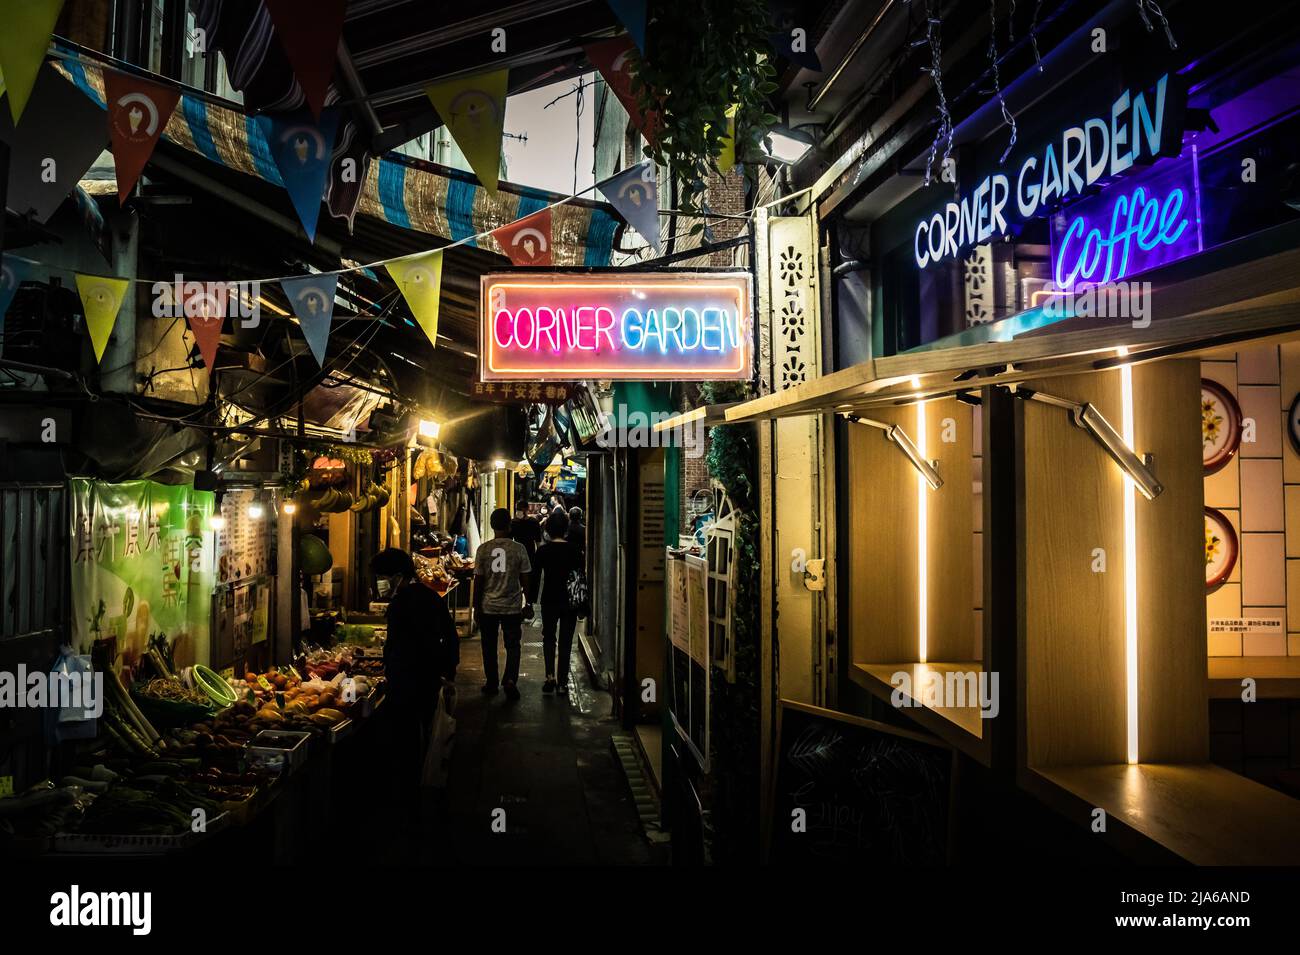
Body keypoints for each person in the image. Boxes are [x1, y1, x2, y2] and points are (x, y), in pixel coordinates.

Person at [371, 547, 458, 815]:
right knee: (425, 729)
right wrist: (448, 671)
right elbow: (450, 635)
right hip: (429, 676)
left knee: (405, 736)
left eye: (383, 576)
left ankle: (406, 795)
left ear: (397, 575)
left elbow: (397, 643)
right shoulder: (430, 596)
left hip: (405, 677)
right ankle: (423, 783)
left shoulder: (401, 603)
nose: (379, 582)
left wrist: (388, 665)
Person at [473, 508, 532, 700]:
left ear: (491, 525)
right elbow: (525, 579)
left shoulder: (483, 550)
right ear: (509, 525)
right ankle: (510, 680)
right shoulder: (519, 549)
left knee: (488, 645)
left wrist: (476, 606)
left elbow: (479, 581)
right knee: (513, 645)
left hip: (488, 606)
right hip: (512, 606)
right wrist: (528, 602)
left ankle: (491, 682)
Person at [529, 510, 583, 695]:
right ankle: (562, 683)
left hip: (549, 599)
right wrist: (583, 604)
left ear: (548, 530)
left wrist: (530, 601)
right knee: (566, 641)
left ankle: (549, 676)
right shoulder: (575, 551)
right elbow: (580, 579)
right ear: (566, 530)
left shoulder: (543, 551)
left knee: (549, 637)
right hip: (569, 601)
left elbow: (535, 577)